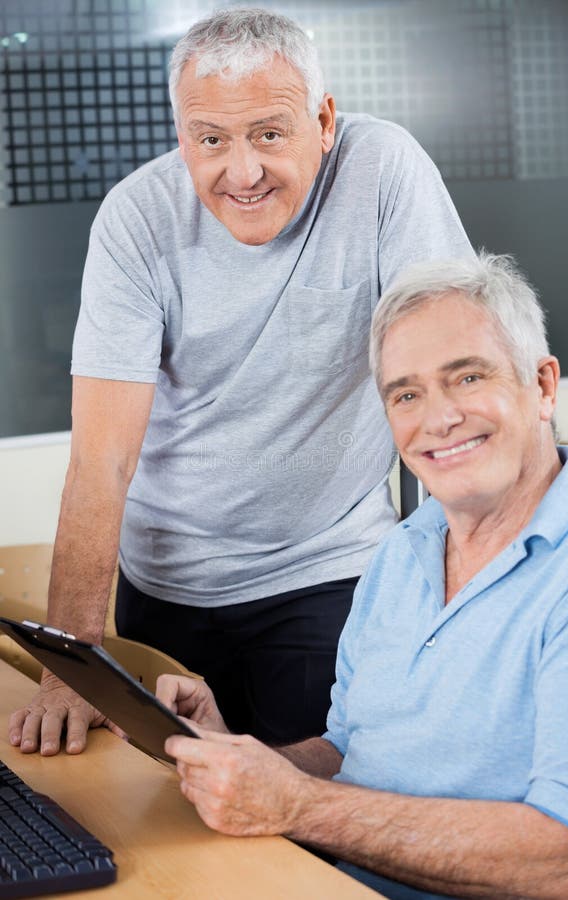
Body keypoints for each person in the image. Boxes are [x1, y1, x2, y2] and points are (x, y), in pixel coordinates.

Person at [9, 8, 471, 755]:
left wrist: (463, 589)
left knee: (320, 813)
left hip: (329, 568)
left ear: (323, 119)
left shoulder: (383, 170)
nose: (243, 172)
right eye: (211, 140)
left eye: (269, 133)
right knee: (182, 824)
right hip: (167, 583)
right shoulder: (135, 221)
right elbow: (102, 461)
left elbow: (443, 375)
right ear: (180, 135)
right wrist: (70, 667)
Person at [156, 254, 568, 900]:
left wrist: (299, 807)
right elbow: (349, 753)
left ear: (544, 386)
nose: (438, 419)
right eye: (407, 394)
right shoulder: (401, 552)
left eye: (467, 377)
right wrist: (241, 760)